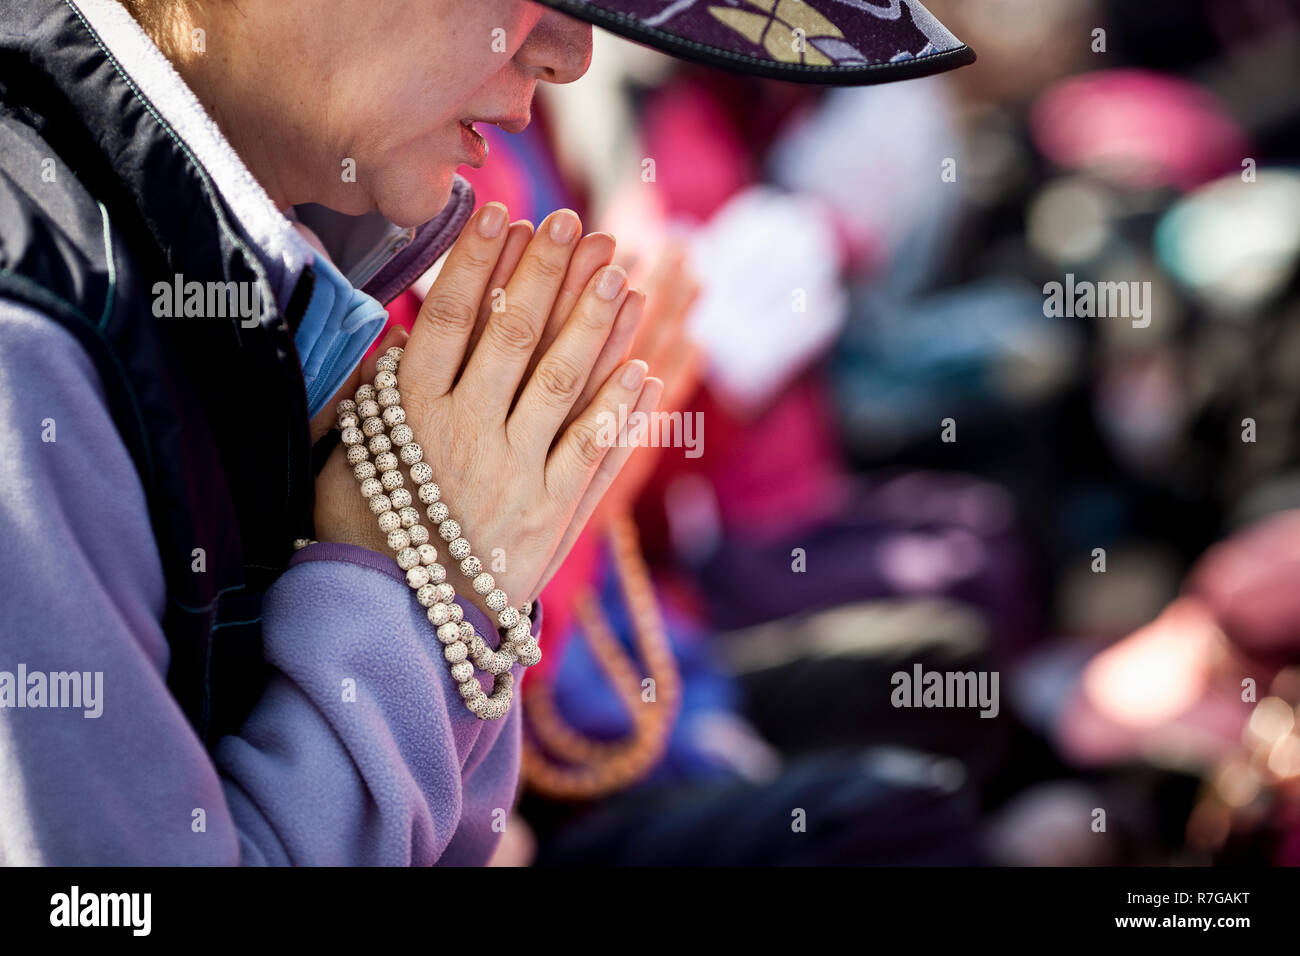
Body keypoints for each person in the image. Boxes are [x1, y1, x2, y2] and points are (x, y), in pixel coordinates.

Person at [0, 0, 973, 864]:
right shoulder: (30, 334)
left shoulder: (274, 257)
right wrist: (433, 581)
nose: (569, 52)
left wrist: (461, 557)